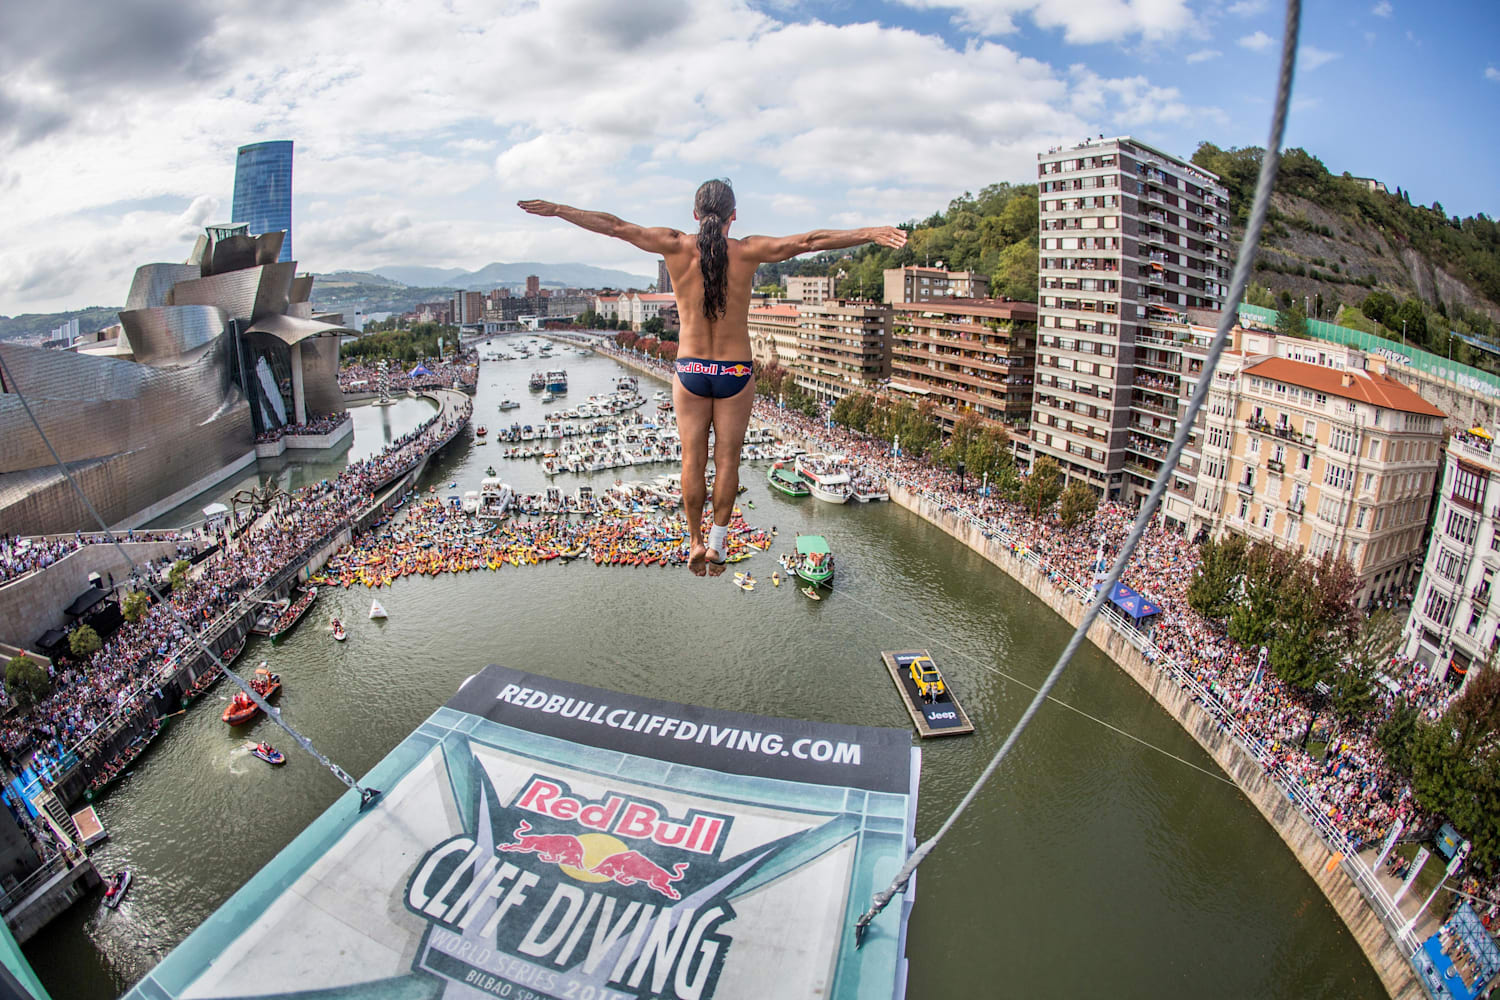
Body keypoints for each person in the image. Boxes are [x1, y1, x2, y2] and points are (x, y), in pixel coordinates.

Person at [520, 180, 906, 576]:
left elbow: (615, 226)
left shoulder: (673, 245)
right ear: (733, 216)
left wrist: (560, 209)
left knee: (693, 458)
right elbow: (809, 240)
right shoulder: (748, 250)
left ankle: (695, 541)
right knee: (727, 459)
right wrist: (868, 233)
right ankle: (719, 544)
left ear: (694, 213)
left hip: (690, 370)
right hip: (735, 371)